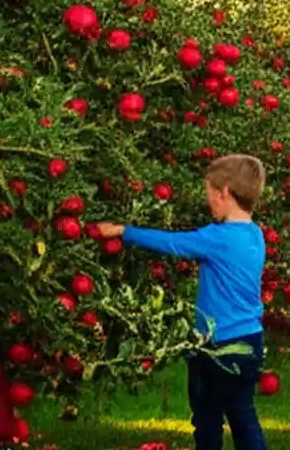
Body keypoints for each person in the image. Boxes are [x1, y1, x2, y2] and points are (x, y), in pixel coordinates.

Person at [95, 154, 268, 450]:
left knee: (207, 420)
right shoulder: (255, 235)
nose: (208, 201)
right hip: (249, 341)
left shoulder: (218, 237)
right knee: (243, 416)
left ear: (224, 192)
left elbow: (173, 243)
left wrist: (124, 231)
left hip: (216, 346)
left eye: (209, 194)